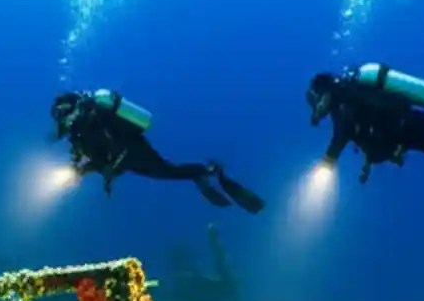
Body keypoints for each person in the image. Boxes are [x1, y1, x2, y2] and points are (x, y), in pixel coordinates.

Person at [50, 89, 265, 212]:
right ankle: (205, 172)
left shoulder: (94, 118)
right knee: (168, 171)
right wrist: (81, 171)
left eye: (63, 112)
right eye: (58, 116)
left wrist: (98, 169)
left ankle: (210, 171)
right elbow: (98, 158)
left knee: (168, 171)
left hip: (133, 152)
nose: (62, 119)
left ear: (73, 106)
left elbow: (108, 148)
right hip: (124, 161)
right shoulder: (78, 135)